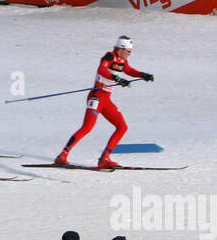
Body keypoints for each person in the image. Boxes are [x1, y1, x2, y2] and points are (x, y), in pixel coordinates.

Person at [56, 35, 152, 169]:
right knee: (87, 127)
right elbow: (101, 69)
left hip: (106, 100)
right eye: (128, 51)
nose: (130, 54)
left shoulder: (122, 61)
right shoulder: (109, 56)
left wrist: (143, 75)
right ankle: (63, 155)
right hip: (97, 96)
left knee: (122, 127)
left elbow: (129, 70)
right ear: (121, 49)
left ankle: (104, 158)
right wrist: (117, 78)